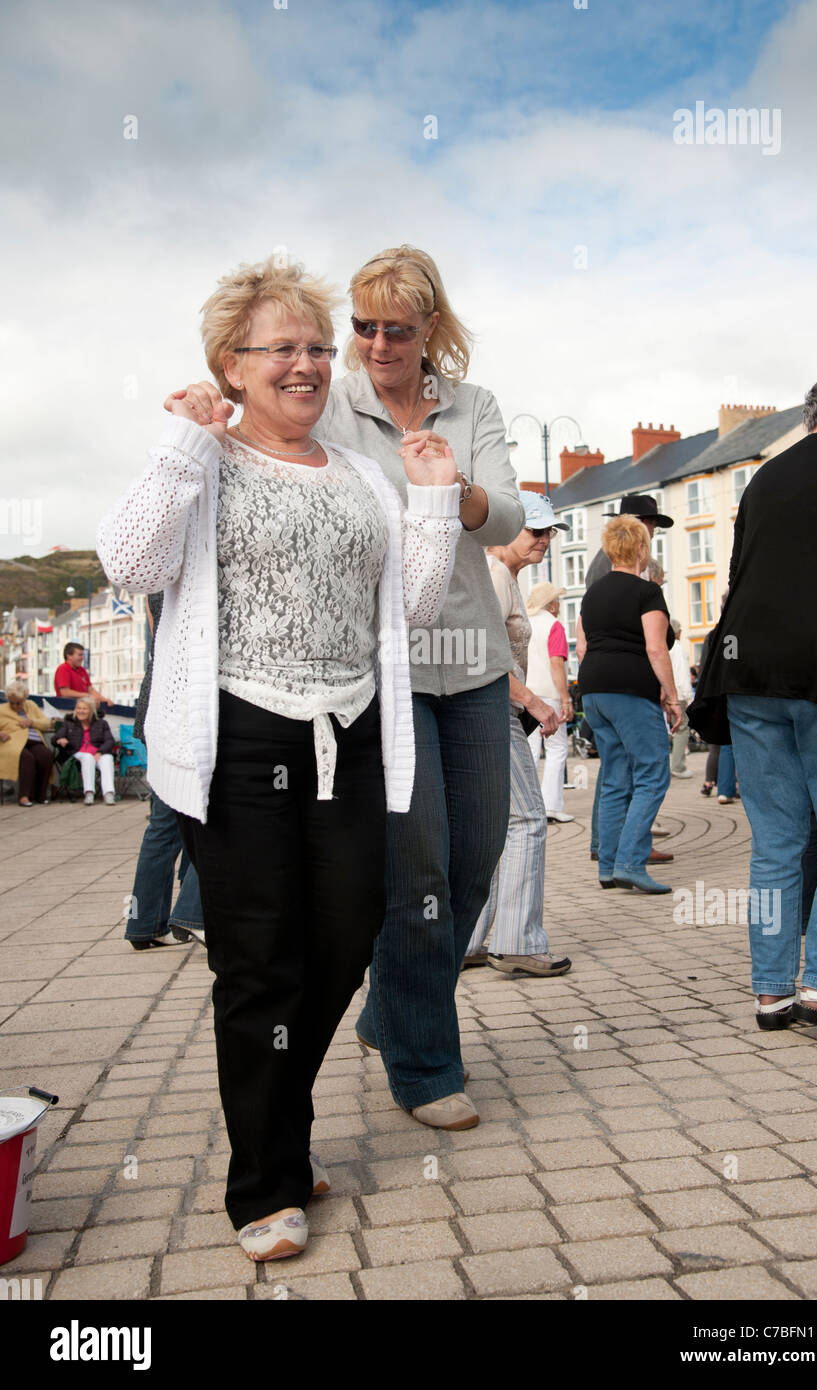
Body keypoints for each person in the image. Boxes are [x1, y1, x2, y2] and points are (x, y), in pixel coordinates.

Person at [100, 252, 462, 1262]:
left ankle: (278, 1120)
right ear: (231, 363)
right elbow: (128, 562)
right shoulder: (202, 460)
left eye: (314, 347)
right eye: (280, 349)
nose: (305, 365)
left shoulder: (357, 473)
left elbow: (413, 608)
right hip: (239, 735)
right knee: (259, 963)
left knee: (344, 938)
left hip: (350, 734)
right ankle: (265, 1180)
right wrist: (181, 442)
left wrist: (431, 499)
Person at [168, 243, 521, 1133]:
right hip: (384, 674)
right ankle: (424, 1062)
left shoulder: (470, 405)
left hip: (471, 655)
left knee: (475, 860)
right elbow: (281, 483)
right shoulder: (326, 402)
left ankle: (389, 1006)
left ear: (429, 328)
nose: (371, 344)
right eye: (358, 327)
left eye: (393, 328)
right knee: (417, 871)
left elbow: (510, 516)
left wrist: (453, 492)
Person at [689, 353, 817, 1032]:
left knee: (774, 841)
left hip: (750, 670)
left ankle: (771, 992)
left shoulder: (764, 477)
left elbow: (739, 575)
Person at [464, 494, 572, 977]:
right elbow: (483, 658)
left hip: (490, 712)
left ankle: (468, 940)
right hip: (495, 711)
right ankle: (517, 942)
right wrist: (533, 700)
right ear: (507, 527)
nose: (545, 540)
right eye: (536, 531)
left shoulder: (501, 575)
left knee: (496, 827)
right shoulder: (493, 574)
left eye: (550, 532)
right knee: (527, 820)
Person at [576, 514, 681, 893]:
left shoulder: (593, 593)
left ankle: (607, 866)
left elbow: (583, 645)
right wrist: (671, 695)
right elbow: (656, 647)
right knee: (653, 773)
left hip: (594, 690)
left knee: (616, 777)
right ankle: (631, 862)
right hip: (630, 689)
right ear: (641, 548)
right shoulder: (647, 591)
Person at [126, 593, 205, 951]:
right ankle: (193, 915)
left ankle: (144, 923)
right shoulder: (204, 563)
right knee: (214, 815)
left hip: (158, 701)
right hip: (189, 703)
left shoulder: (154, 582)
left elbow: (158, 635)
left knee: (163, 825)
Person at [526, 578, 576, 822]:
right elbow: (557, 664)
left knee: (531, 749)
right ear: (553, 605)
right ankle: (552, 805)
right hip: (549, 694)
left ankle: (527, 804)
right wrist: (565, 697)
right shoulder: (553, 626)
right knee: (557, 748)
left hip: (527, 693)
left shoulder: (525, 623)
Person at [53, 696, 116, 804]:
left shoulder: (101, 723)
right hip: (77, 752)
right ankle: (89, 792)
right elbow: (55, 738)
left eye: (84, 709)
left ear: (91, 711)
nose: (80, 711)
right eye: (79, 708)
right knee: (87, 757)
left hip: (97, 752)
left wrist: (100, 752)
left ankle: (109, 793)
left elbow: (110, 741)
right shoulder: (69, 723)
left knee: (107, 758)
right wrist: (60, 739)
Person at [0, 681, 54, 806]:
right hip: (12, 743)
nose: (15, 706)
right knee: (27, 758)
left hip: (33, 740)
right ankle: (24, 796)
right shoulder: (1, 710)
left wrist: (31, 722)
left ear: (24, 699)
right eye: (12, 702)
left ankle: (40, 795)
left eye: (18, 703)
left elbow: (46, 723)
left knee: (46, 755)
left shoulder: (31, 705)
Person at [669, 620, 694, 778]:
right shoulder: (678, 649)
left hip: (670, 693)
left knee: (674, 729)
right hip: (679, 694)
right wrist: (689, 696)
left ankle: (675, 764)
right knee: (682, 729)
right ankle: (678, 766)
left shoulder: (667, 648)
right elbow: (683, 674)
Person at [53, 642, 112, 707]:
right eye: (80, 655)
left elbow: (90, 690)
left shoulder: (82, 670)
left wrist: (104, 699)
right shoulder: (63, 669)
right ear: (69, 656)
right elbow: (65, 693)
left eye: (83, 655)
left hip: (84, 707)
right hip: (68, 707)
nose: (82, 658)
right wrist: (87, 696)